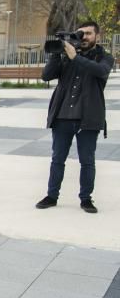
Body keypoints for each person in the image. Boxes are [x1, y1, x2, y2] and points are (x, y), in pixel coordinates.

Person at [36, 21, 114, 213]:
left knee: (87, 160)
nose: (84, 37)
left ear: (97, 35)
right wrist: (57, 54)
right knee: (57, 159)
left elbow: (101, 71)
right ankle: (52, 195)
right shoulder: (66, 56)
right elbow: (46, 76)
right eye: (81, 33)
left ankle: (86, 199)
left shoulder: (105, 57)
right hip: (62, 116)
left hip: (88, 118)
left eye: (88, 33)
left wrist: (75, 57)